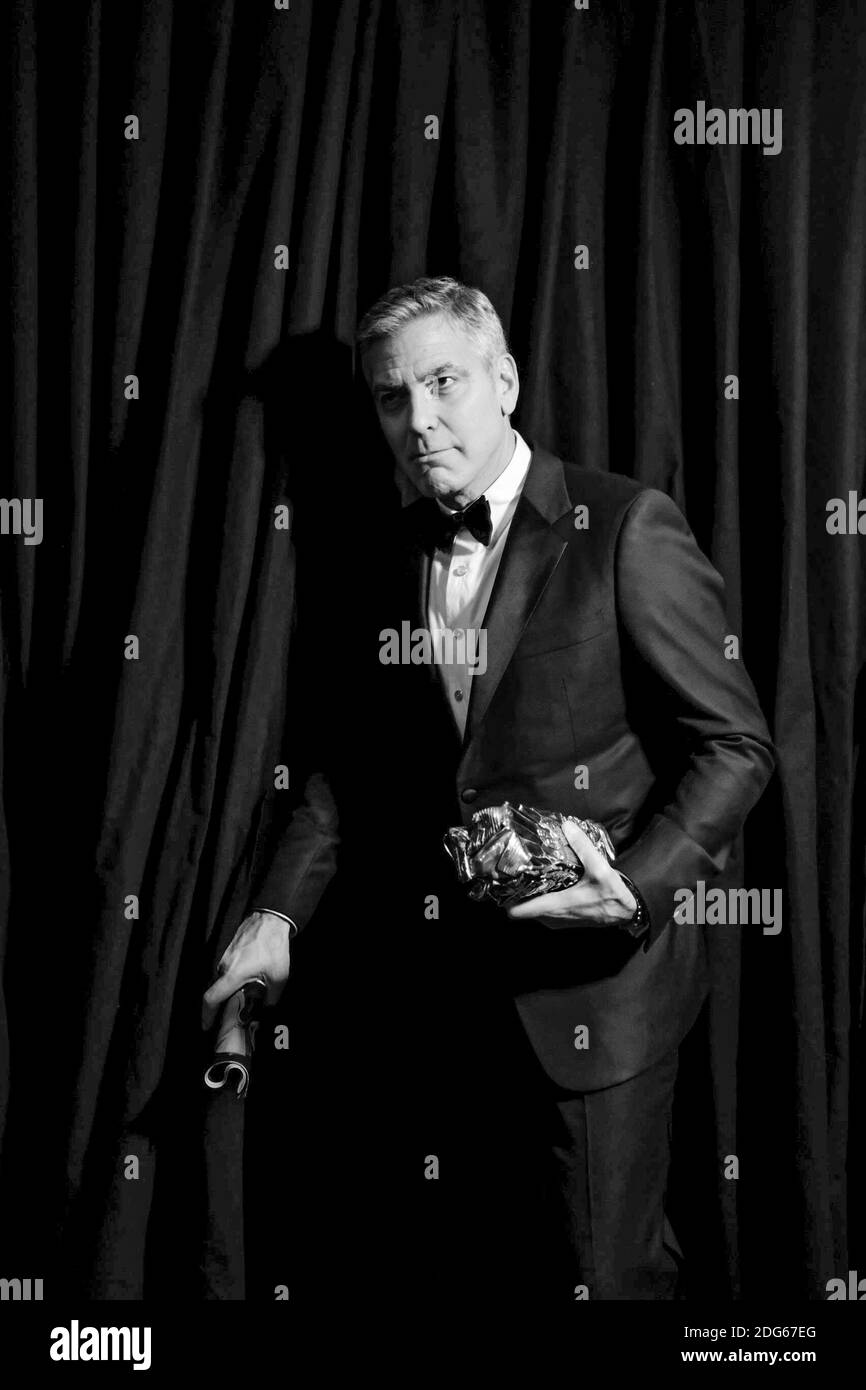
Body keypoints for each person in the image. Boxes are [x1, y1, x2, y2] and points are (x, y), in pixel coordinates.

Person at [204, 275, 775, 1303]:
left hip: (600, 991)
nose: (418, 422)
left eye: (442, 383)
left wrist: (636, 888)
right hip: (443, 1001)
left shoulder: (624, 526)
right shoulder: (386, 560)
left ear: (502, 380)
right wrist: (277, 911)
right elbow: (346, 770)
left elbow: (734, 743)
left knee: (604, 1279)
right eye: (391, 398)